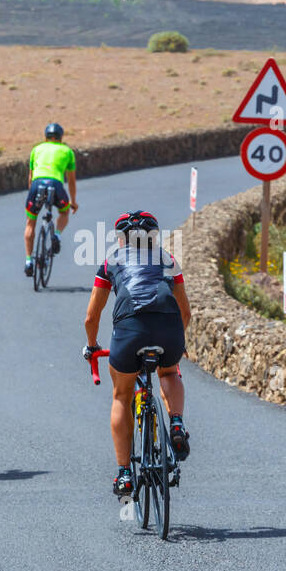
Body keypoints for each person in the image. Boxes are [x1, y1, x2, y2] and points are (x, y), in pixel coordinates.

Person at [82, 210, 191, 497]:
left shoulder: (110, 262)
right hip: (168, 327)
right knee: (169, 371)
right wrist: (177, 340)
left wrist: (92, 346)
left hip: (130, 330)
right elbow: (185, 312)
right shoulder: (168, 259)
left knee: (121, 395)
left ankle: (124, 474)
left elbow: (91, 317)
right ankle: (177, 422)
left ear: (121, 239)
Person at [25, 122, 78, 275]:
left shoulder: (36, 149)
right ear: (61, 137)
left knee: (30, 222)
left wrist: (33, 197)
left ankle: (28, 261)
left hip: (37, 185)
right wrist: (73, 202)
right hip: (56, 185)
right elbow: (72, 180)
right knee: (64, 212)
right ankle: (57, 235)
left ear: (45, 137)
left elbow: (30, 177)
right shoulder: (67, 151)